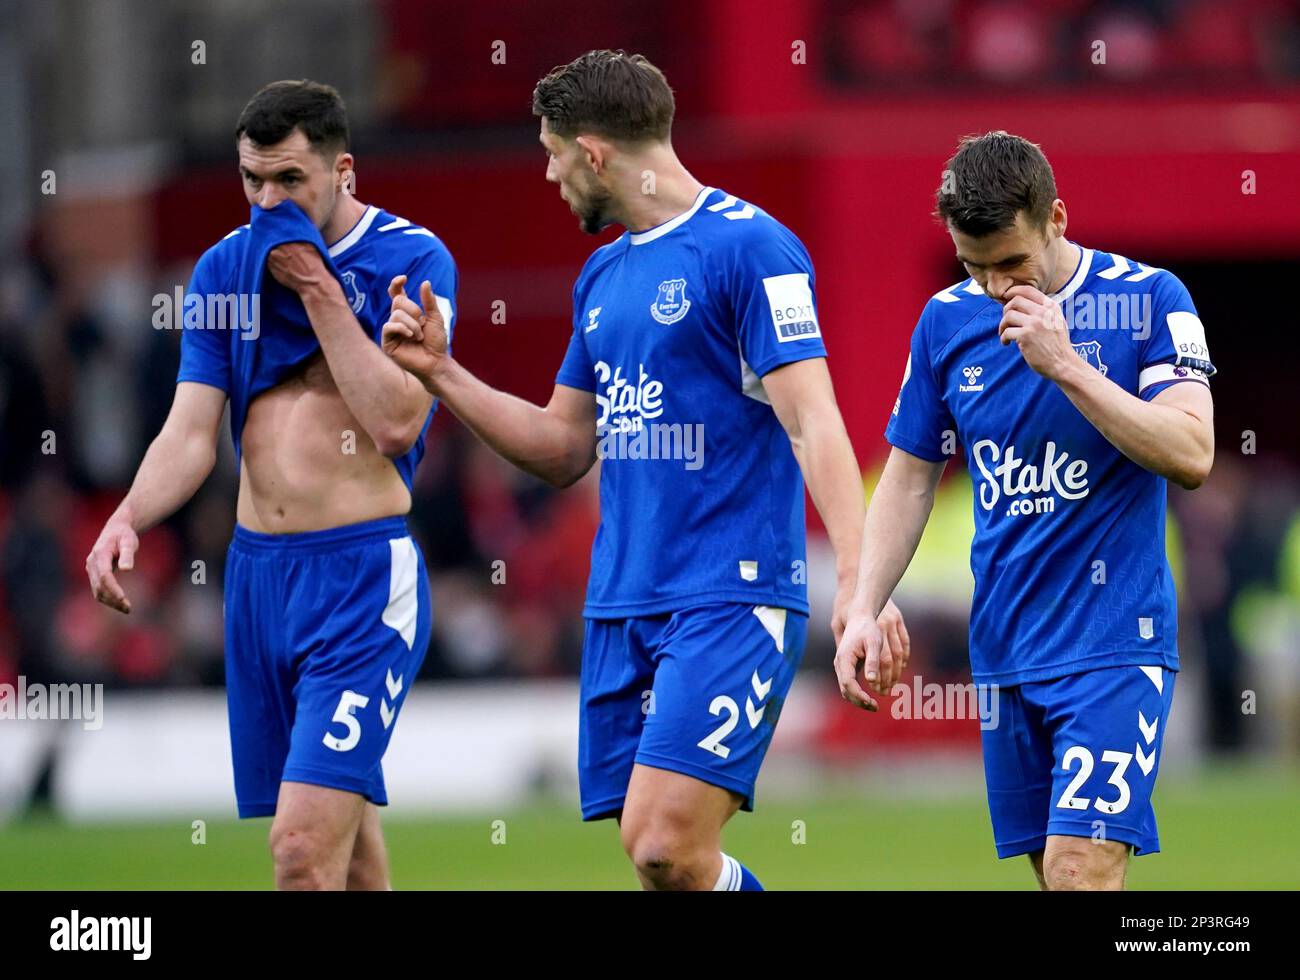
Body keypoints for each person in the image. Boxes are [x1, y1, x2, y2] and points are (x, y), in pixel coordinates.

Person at [381, 49, 906, 891]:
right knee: (665, 867)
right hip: (625, 603)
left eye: (553, 155)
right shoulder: (603, 273)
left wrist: (856, 586)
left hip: (730, 596)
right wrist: (441, 373)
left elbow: (814, 421)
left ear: (593, 153)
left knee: (663, 842)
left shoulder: (752, 247)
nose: (550, 176)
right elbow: (561, 446)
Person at [85, 80, 457, 890]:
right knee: (350, 855)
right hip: (257, 581)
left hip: (360, 578)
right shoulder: (225, 270)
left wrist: (319, 287)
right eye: (253, 180)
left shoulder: (412, 261)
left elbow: (398, 422)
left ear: (343, 171)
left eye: (289, 180)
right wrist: (128, 516)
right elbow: (190, 435)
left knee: (299, 854)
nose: (267, 200)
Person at [836, 131, 1216, 890]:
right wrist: (862, 607)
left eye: (1010, 263)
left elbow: (1192, 451)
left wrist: (1066, 365)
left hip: (1116, 642)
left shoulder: (1150, 299)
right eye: (972, 266)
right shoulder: (946, 322)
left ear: (1057, 220)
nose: (994, 288)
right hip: (1007, 651)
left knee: (1081, 872)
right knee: (1057, 878)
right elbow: (911, 479)